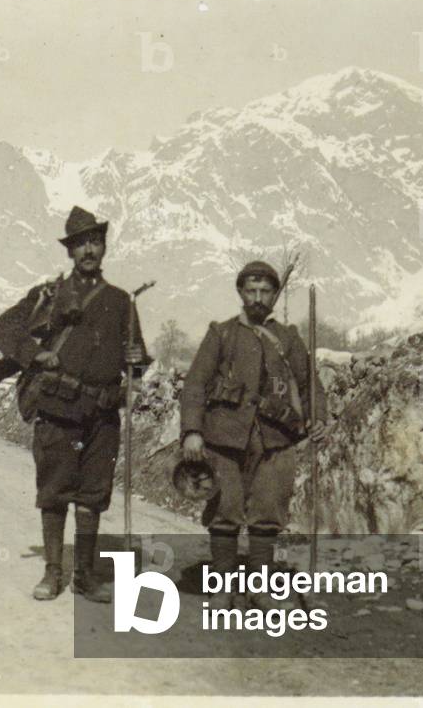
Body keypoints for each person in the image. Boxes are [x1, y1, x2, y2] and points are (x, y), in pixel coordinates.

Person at [0, 206, 148, 603]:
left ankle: (84, 576)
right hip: (58, 409)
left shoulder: (121, 302)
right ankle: (52, 573)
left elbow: (137, 360)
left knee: (93, 494)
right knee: (55, 491)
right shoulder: (50, 294)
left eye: (95, 242)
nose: (89, 250)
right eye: (81, 244)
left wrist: (135, 364)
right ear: (70, 251)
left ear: (104, 247)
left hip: (102, 413)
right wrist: (33, 354)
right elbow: (4, 328)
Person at [179, 260, 327, 609]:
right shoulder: (222, 334)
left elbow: (311, 386)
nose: (258, 297)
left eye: (265, 291)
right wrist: (192, 431)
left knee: (267, 514)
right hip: (224, 439)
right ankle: (223, 587)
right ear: (241, 293)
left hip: (275, 439)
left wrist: (318, 416)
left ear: (275, 295)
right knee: (224, 513)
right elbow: (195, 385)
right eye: (251, 290)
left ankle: (259, 587)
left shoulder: (288, 339)